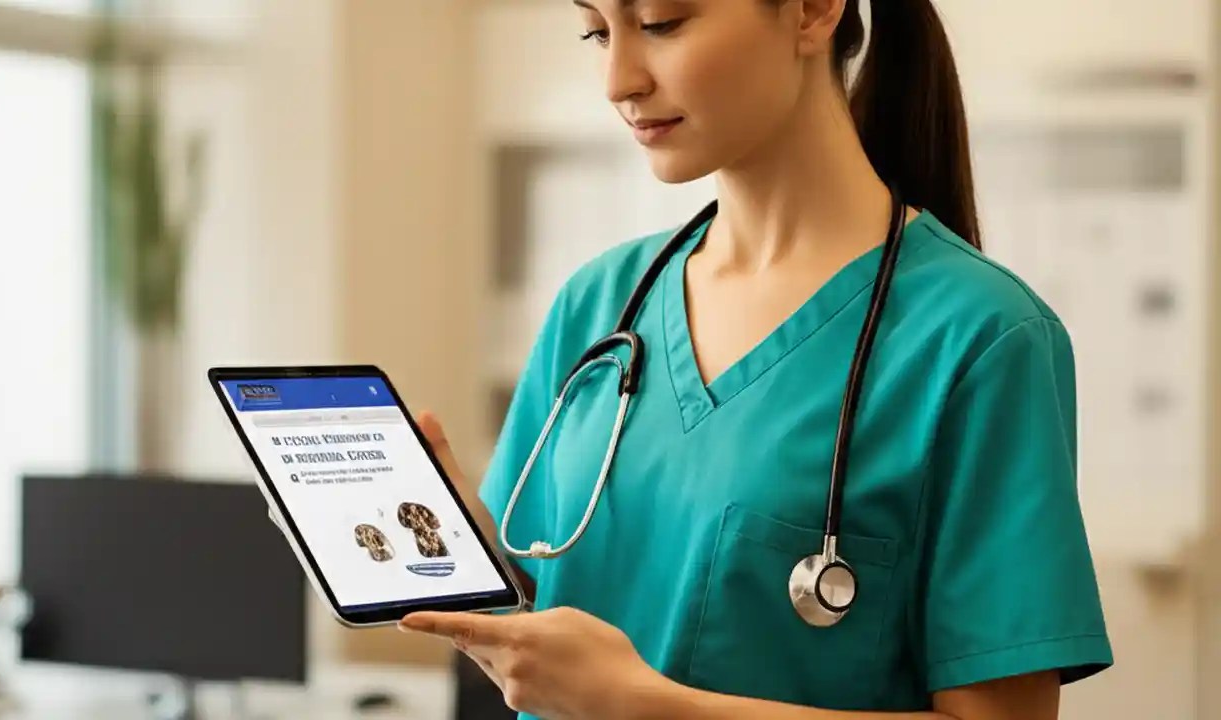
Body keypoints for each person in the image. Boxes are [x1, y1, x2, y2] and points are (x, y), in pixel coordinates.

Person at [401, 1, 1113, 718]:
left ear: (812, 11)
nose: (618, 80)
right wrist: (466, 545)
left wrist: (637, 703)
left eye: (661, 23)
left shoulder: (981, 336)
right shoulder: (599, 305)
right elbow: (549, 617)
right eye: (597, 31)